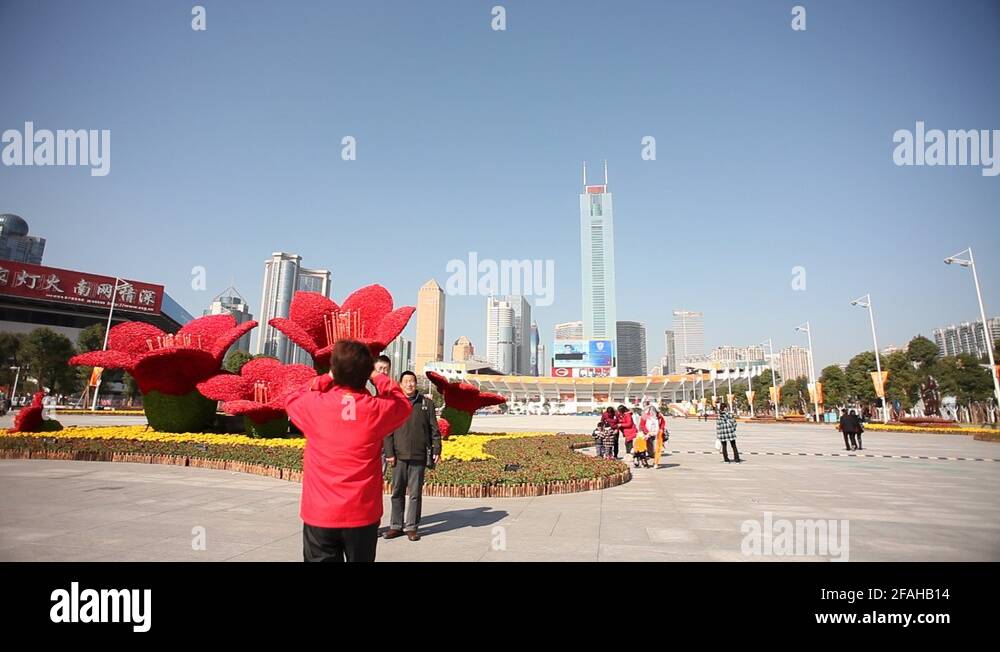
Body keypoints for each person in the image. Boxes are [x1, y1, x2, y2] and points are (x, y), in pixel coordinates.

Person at [286, 340, 412, 562]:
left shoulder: (314, 404)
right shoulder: (376, 410)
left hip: (320, 514)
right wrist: (376, 376)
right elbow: (402, 402)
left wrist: (326, 377)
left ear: (334, 369)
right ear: (366, 372)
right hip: (362, 514)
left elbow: (292, 397)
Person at [383, 371, 442, 542]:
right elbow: (387, 431)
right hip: (398, 456)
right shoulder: (394, 403)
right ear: (400, 384)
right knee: (397, 492)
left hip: (418, 455)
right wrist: (389, 453)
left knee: (415, 493)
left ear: (416, 384)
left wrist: (437, 448)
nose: (409, 384)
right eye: (406, 381)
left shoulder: (426, 403)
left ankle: (412, 527)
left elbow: (434, 430)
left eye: (412, 381)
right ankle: (395, 526)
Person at [639, 403, 666, 467]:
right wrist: (647, 432)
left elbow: (663, 423)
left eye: (653, 412)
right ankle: (644, 461)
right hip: (647, 434)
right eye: (650, 412)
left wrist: (661, 429)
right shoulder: (645, 416)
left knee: (657, 449)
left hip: (657, 435)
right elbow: (642, 425)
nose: (652, 414)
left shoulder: (659, 416)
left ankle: (656, 462)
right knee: (646, 448)